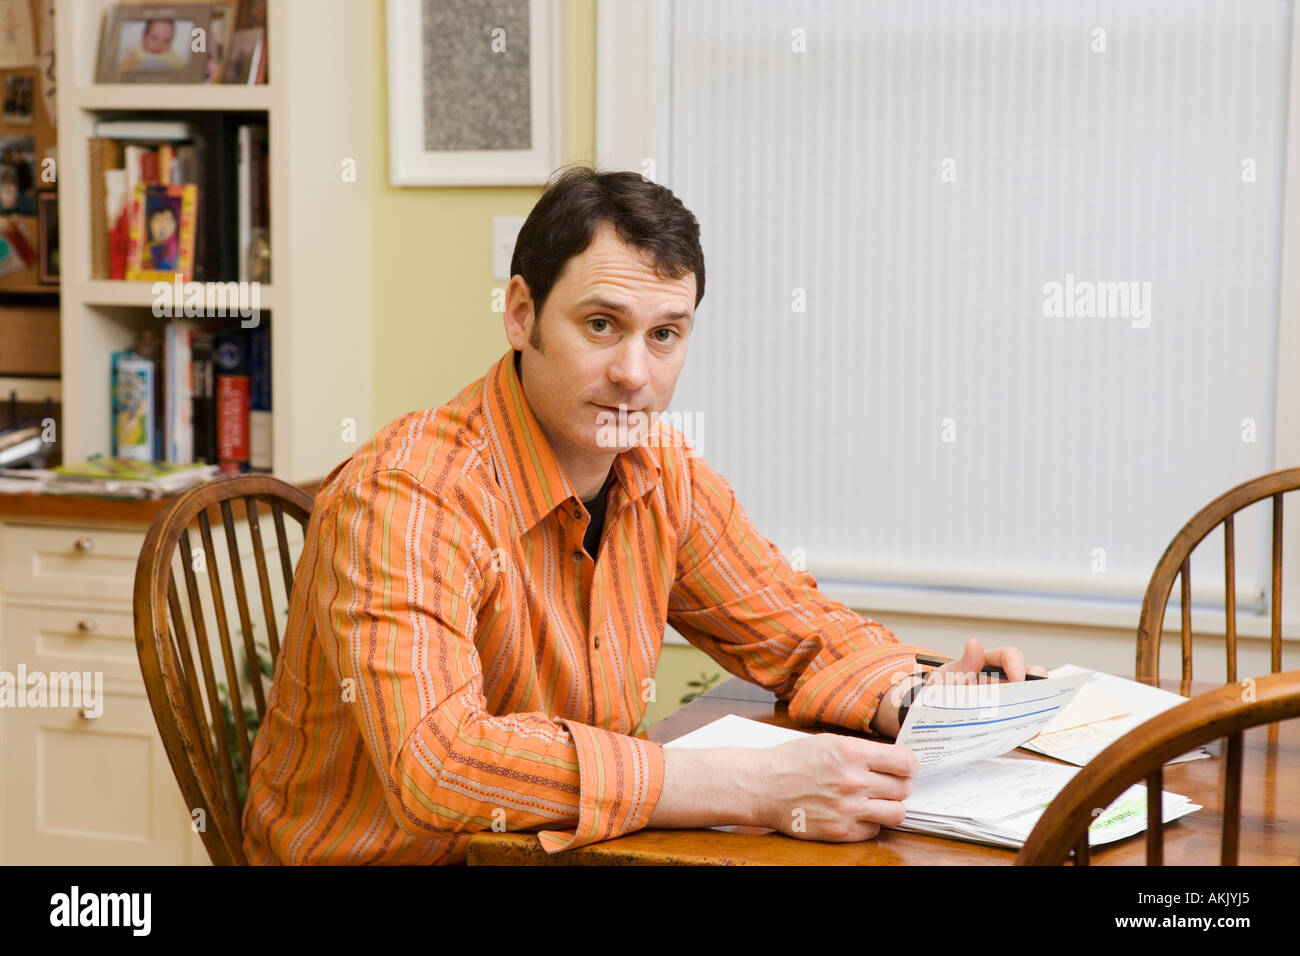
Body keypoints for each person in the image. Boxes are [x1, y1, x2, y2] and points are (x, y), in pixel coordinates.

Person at [242, 165, 1047, 865]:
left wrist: (919, 697)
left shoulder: (659, 474)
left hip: (557, 858)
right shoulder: (409, 494)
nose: (635, 373)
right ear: (521, 314)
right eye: (602, 326)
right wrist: (751, 786)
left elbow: (798, 630)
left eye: (666, 335)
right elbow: (440, 763)